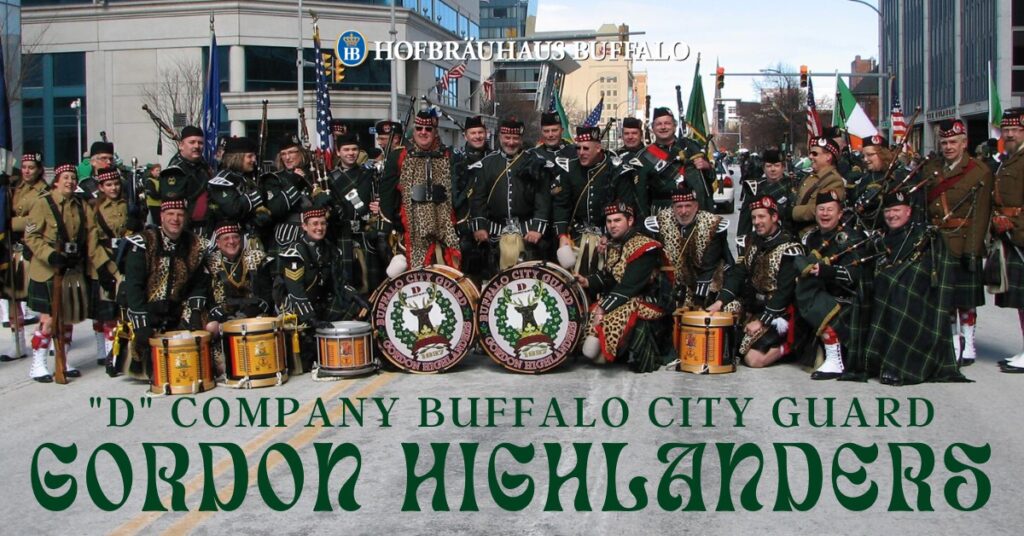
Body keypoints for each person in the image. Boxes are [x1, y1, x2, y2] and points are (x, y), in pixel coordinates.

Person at [851, 190, 966, 385]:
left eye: (896, 210)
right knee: (872, 288)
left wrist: (897, 277)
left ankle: (899, 366)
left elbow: (930, 268)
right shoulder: (880, 239)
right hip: (887, 288)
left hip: (921, 293)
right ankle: (874, 360)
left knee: (898, 290)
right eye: (887, 211)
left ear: (908, 211)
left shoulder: (925, 235)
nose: (891, 215)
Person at [922, 118, 994, 366]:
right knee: (946, 299)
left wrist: (972, 250)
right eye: (944, 142)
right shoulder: (932, 168)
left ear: (965, 143)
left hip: (963, 240)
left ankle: (969, 342)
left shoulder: (979, 171)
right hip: (937, 240)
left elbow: (981, 215)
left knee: (966, 300)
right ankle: (953, 340)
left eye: (953, 142)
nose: (948, 146)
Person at [122, 195, 210, 377]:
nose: (175, 219)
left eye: (179, 214)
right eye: (170, 213)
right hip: (148, 307)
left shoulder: (195, 244)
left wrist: (195, 313)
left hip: (177, 308)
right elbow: (133, 286)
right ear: (161, 216)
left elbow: (199, 283)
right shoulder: (143, 242)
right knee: (151, 370)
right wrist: (141, 324)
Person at [710, 196, 803, 368]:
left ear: (774, 217)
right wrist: (719, 302)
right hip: (752, 304)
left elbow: (784, 292)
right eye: (754, 218)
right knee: (720, 319)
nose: (756, 222)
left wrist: (761, 322)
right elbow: (738, 274)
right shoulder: (751, 241)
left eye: (762, 217)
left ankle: (790, 347)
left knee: (753, 360)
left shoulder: (790, 248)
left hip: (776, 312)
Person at [577, 201, 667, 371]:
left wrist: (603, 309)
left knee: (604, 319)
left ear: (630, 221)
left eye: (617, 220)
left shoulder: (645, 247)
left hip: (647, 299)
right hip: (623, 297)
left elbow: (629, 286)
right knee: (584, 314)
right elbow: (609, 277)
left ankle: (618, 352)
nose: (612, 225)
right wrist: (587, 281)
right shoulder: (615, 244)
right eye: (609, 221)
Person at [277, 205, 364, 373]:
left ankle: (345, 353)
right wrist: (312, 319)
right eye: (314, 224)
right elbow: (296, 293)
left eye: (323, 223)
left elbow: (339, 282)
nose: (319, 228)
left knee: (354, 307)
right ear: (304, 226)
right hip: (296, 310)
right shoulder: (294, 252)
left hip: (319, 303)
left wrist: (356, 297)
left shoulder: (330, 249)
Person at [794, 190, 870, 380]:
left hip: (846, 296)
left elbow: (854, 275)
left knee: (807, 289)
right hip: (821, 293)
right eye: (821, 209)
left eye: (830, 210)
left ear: (840, 214)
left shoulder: (851, 237)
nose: (825, 214)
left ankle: (835, 358)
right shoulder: (811, 238)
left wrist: (825, 271)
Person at [24, 164, 89, 382]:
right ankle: (38, 362)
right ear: (57, 181)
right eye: (66, 177)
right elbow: (31, 237)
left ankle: (63, 358)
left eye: (73, 178)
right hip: (47, 269)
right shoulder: (42, 203)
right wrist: (50, 255)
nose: (70, 181)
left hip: (70, 269)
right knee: (49, 319)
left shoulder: (79, 205)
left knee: (68, 317)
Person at [379, 110, 462, 274]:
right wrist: (383, 231)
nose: (423, 132)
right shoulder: (399, 156)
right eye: (419, 128)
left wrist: (463, 228)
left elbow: (459, 195)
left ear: (435, 131)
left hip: (445, 229)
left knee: (450, 280)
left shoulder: (449, 155)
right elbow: (387, 196)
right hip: (411, 231)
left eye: (428, 129)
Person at [469, 117, 551, 277]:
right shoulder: (487, 164)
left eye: (515, 138)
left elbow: (543, 198)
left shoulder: (534, 162)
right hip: (494, 233)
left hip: (527, 232)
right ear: (500, 137)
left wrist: (537, 228)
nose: (511, 142)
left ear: (521, 139)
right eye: (507, 138)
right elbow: (478, 198)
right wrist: (479, 226)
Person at [554, 125, 639, 277]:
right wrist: (562, 236)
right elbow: (561, 205)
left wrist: (609, 236)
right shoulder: (569, 169)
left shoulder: (617, 169)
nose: (581, 153)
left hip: (609, 236)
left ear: (598, 148)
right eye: (578, 148)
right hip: (576, 238)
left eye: (586, 149)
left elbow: (625, 207)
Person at [644, 185, 732, 310]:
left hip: (709, 286)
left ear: (696, 206)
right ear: (673, 208)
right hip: (672, 287)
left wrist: (699, 300)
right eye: (679, 207)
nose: (684, 212)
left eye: (688, 206)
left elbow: (710, 266)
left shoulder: (712, 224)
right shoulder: (660, 222)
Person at [204, 221, 273, 376]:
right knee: (210, 328)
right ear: (218, 243)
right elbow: (206, 294)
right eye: (226, 238)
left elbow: (267, 292)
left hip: (252, 315)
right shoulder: (209, 262)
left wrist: (255, 310)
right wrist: (220, 314)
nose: (231, 241)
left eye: (235, 237)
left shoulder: (256, 258)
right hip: (224, 317)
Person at [0, 154, 45, 361]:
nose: (27, 171)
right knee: (12, 296)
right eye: (24, 167)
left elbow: (36, 220)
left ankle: (46, 339)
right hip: (13, 249)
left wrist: (11, 223)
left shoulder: (44, 191)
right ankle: (17, 343)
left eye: (31, 167)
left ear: (39, 169)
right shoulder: (13, 188)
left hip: (32, 249)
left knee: (38, 298)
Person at [991, 109, 1024, 372]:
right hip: (1010, 232)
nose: (1010, 135)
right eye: (1007, 130)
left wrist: (1016, 225)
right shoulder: (1008, 159)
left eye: (1015, 130)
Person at [635, 107, 713, 215]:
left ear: (675, 126)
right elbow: (640, 195)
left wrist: (707, 167)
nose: (663, 127)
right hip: (661, 212)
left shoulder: (692, 147)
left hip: (692, 210)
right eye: (659, 124)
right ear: (652, 128)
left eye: (667, 123)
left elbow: (711, 179)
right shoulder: (643, 156)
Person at [86, 168, 127, 365]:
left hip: (122, 258)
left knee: (117, 309)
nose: (113, 188)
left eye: (116, 184)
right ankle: (104, 349)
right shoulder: (94, 209)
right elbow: (92, 242)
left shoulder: (127, 205)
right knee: (104, 311)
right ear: (101, 187)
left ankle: (114, 350)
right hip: (103, 261)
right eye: (109, 185)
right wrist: (102, 266)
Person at [327, 132, 376, 292]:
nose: (351, 153)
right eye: (346, 149)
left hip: (363, 233)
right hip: (340, 233)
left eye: (354, 149)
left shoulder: (368, 174)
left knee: (369, 281)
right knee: (342, 281)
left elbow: (369, 201)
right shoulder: (328, 178)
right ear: (338, 152)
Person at [451, 116, 490, 280]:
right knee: (468, 277)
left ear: (486, 134)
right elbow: (454, 196)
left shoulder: (494, 157)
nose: (477, 136)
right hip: (465, 227)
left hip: (491, 224)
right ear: (465, 136)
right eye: (473, 133)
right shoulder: (457, 160)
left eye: (480, 132)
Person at [156, 126, 212, 235]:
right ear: (181, 145)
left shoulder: (203, 165)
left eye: (200, 143)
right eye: (192, 142)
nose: (197, 146)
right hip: (188, 229)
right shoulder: (175, 171)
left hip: (207, 226)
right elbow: (174, 208)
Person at [206, 137, 265, 239]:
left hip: (248, 236)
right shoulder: (222, 179)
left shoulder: (246, 178)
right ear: (237, 157)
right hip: (226, 238)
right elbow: (233, 209)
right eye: (250, 156)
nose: (254, 160)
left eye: (254, 156)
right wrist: (257, 194)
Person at [737, 148, 795, 253]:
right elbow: (744, 223)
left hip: (788, 241)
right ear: (763, 168)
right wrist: (742, 249)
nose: (773, 169)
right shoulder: (754, 188)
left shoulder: (793, 185)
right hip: (761, 243)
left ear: (783, 167)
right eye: (769, 166)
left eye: (777, 165)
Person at [849, 135, 912, 231]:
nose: (865, 159)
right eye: (863, 156)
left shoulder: (898, 175)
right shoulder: (865, 177)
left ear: (883, 154)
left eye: (870, 155)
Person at [791, 136, 846, 236]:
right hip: (798, 232)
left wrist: (793, 212)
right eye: (810, 153)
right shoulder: (811, 176)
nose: (810, 157)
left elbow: (824, 209)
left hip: (815, 235)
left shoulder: (833, 179)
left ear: (828, 157)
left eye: (815, 154)